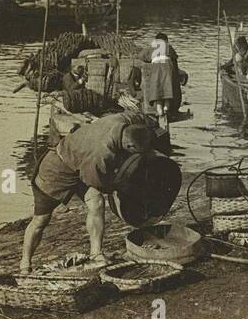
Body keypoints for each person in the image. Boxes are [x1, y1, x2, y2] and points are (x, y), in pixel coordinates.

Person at [21, 111, 158, 273]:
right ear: (129, 146)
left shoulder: (122, 119)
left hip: (79, 163)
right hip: (56, 169)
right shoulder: (101, 153)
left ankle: (96, 254)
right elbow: (96, 181)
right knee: (40, 220)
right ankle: (25, 263)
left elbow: (143, 117)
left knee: (96, 202)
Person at [138, 33, 180, 126]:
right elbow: (175, 56)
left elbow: (141, 55)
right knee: (167, 86)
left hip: (156, 67)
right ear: (166, 41)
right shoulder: (168, 46)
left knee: (156, 87)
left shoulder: (152, 47)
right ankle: (166, 107)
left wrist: (151, 58)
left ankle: (159, 109)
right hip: (167, 66)